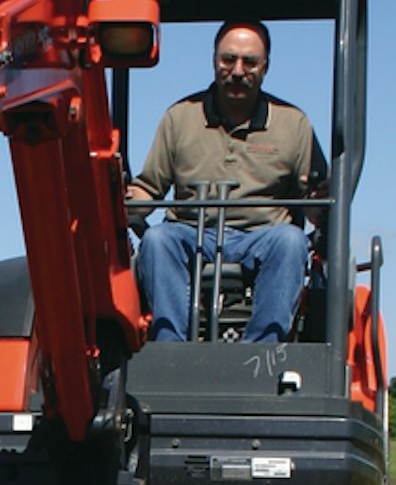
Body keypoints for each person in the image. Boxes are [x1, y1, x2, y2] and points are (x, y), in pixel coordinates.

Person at [126, 21, 325, 343]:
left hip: (263, 236)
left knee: (291, 241)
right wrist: (124, 200)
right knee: (158, 240)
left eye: (250, 62)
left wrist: (322, 203)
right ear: (214, 60)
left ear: (265, 67)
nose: (237, 70)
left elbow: (315, 202)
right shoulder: (180, 117)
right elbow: (148, 188)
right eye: (228, 59)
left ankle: (262, 351)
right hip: (191, 232)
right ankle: (170, 350)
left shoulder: (294, 124)